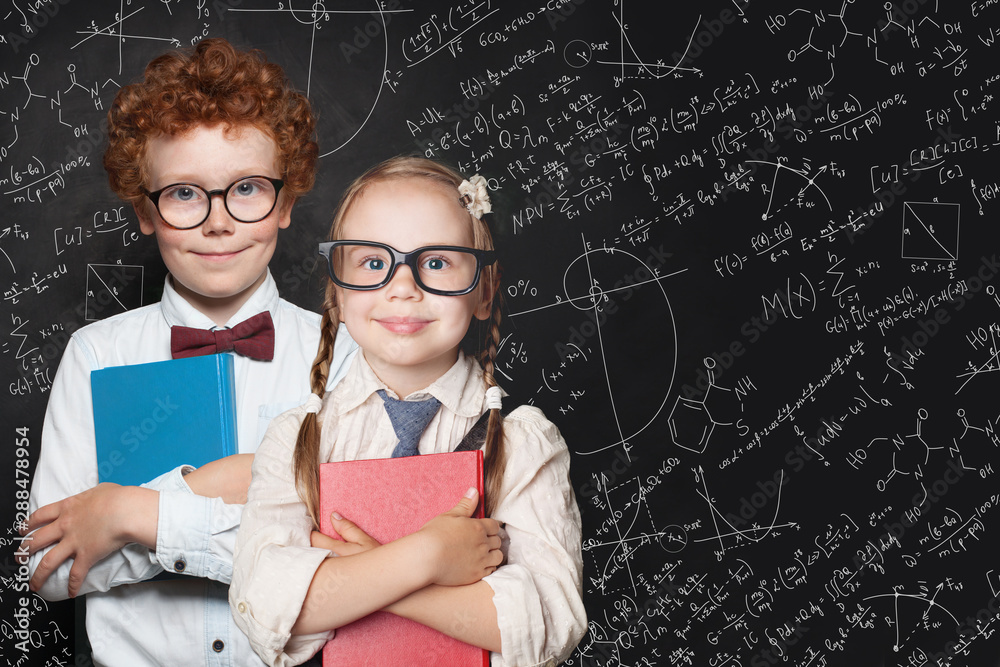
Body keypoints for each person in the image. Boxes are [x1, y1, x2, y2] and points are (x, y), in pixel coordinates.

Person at [20, 38, 363, 667]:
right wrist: (259, 523)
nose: (218, 222)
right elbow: (48, 567)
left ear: (286, 203)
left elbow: (359, 559)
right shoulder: (96, 354)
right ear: (145, 211)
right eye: (183, 194)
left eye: (248, 189)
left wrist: (130, 513)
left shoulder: (346, 354)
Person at [230, 156, 587, 666]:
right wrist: (429, 556)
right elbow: (266, 607)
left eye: (437, 262)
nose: (403, 287)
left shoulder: (522, 445)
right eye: (373, 263)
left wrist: (364, 572)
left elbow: (546, 626)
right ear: (336, 294)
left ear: (483, 291)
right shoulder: (296, 441)